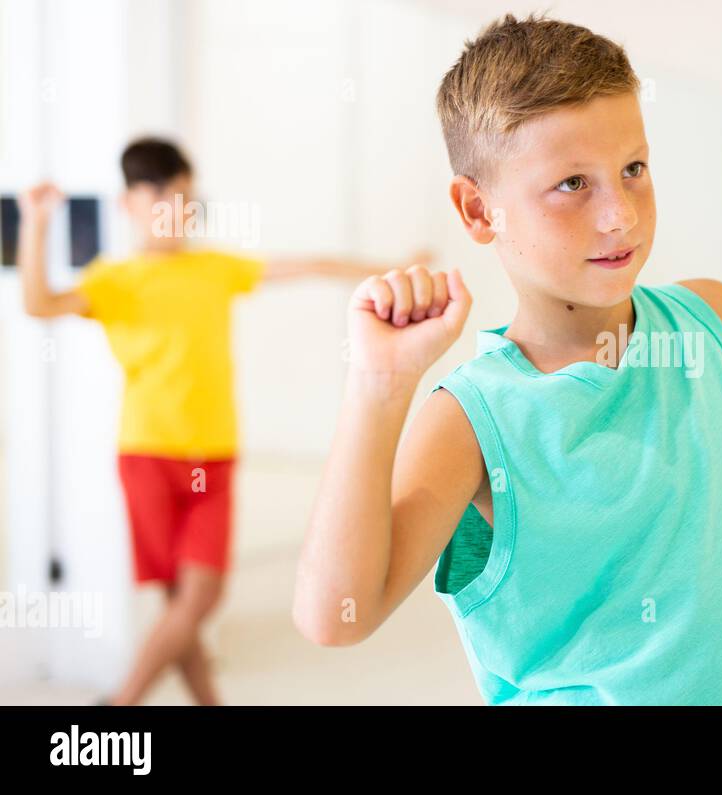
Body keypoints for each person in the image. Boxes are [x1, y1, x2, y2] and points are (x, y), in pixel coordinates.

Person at [292, 13, 722, 705]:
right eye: (573, 184)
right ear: (477, 210)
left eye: (634, 169)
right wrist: (380, 385)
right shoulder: (475, 417)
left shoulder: (715, 325)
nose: (620, 213)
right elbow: (336, 615)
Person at [17, 137, 423, 705]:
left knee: (199, 597)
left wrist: (397, 269)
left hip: (215, 458)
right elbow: (39, 304)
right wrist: (37, 221)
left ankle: (119, 705)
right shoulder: (113, 280)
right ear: (127, 204)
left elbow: (312, 264)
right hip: (146, 456)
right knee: (181, 608)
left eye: (186, 199)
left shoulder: (215, 268)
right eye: (161, 198)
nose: (177, 213)